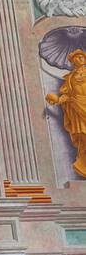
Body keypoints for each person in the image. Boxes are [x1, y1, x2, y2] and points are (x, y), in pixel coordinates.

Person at [46, 49, 86, 178]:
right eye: (77, 57)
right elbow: (66, 95)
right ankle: (83, 163)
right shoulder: (70, 78)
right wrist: (57, 100)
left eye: (81, 57)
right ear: (73, 61)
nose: (80, 59)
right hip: (77, 107)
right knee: (82, 136)